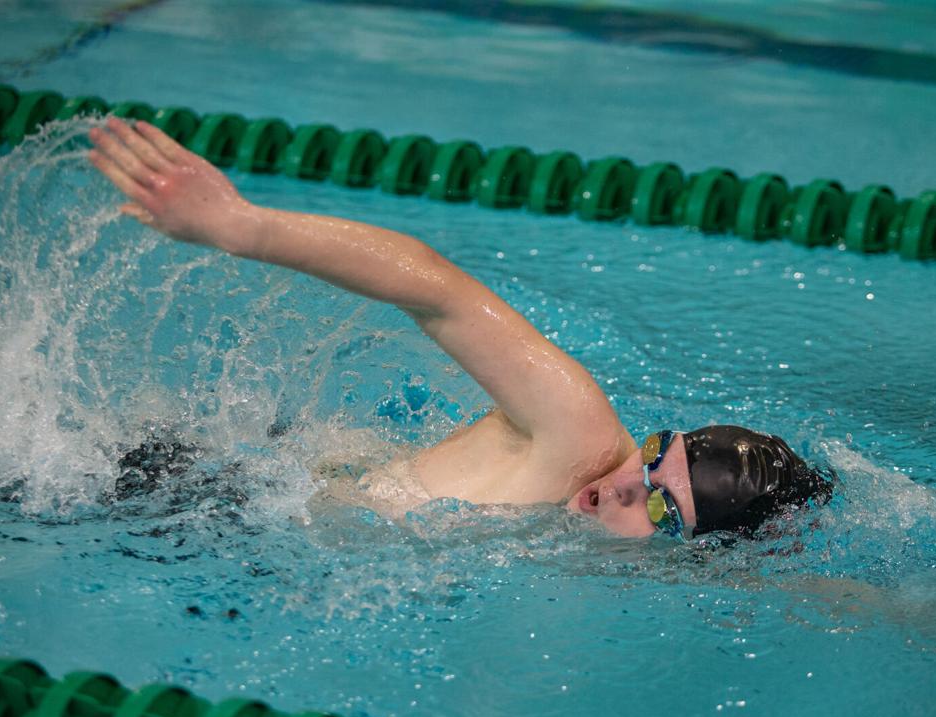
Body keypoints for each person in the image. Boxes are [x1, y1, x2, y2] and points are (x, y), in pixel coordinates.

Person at [87, 117, 831, 540]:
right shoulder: (573, 435)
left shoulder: (589, 558)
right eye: (652, 455)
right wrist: (243, 227)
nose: (624, 486)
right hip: (187, 489)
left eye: (664, 506)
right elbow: (435, 289)